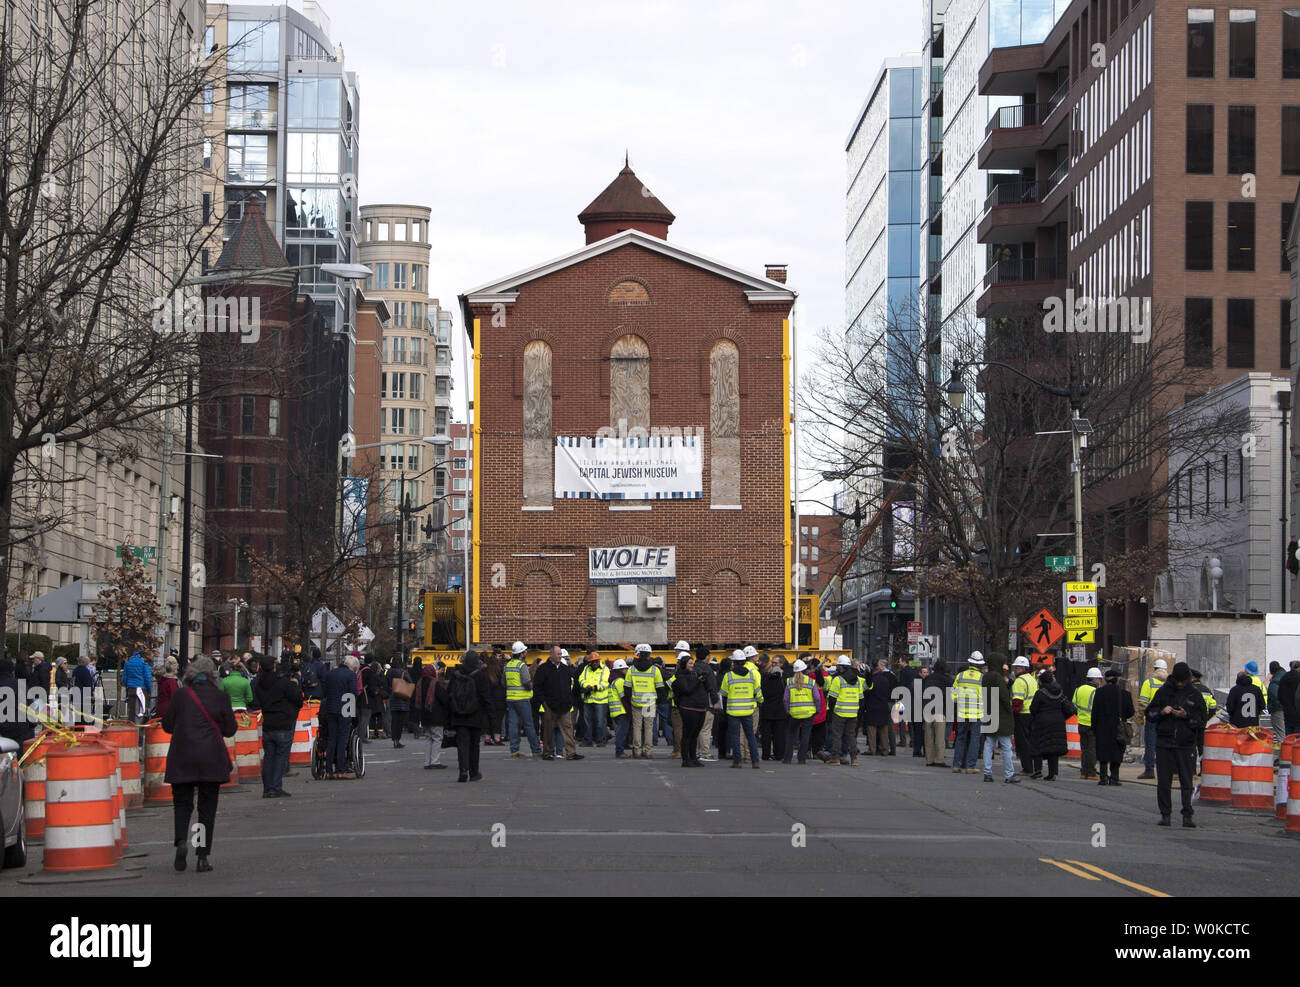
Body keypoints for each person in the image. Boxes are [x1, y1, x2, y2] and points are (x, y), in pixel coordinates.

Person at [162, 657, 237, 873]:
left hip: (182, 757)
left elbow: (167, 725)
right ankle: (202, 856)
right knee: (206, 809)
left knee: (182, 804)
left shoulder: (181, 695)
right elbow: (230, 729)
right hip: (211, 759)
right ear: (213, 675)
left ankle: (181, 842)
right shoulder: (220, 697)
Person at [1147, 662, 1207, 828]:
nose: (1180, 684)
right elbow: (1150, 714)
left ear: (1187, 679)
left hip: (1185, 744)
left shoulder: (1194, 695)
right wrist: (1162, 712)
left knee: (1186, 781)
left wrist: (1186, 716)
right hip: (1165, 742)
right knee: (1164, 782)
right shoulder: (1163, 692)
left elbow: (1201, 720)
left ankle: (1187, 815)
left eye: (1183, 681)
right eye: (1178, 681)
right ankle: (1165, 814)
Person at [253, 657, 303, 797]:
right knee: (280, 756)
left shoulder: (258, 683)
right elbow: (298, 699)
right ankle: (275, 787)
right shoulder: (283, 683)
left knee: (269, 756)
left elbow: (256, 701)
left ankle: (268, 788)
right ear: (274, 667)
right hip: (283, 722)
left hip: (268, 722)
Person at [447, 650, 492, 781]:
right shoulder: (481, 675)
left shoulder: (456, 675)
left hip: (459, 715)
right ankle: (474, 772)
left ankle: (463, 770)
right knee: (474, 745)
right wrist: (491, 717)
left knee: (462, 744)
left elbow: (449, 694)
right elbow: (486, 697)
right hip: (475, 714)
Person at [534, 645, 583, 761]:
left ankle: (571, 753)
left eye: (561, 654)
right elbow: (537, 687)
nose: (560, 656)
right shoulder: (543, 669)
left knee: (568, 729)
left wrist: (569, 700)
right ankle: (547, 753)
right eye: (558, 654)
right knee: (548, 730)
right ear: (551, 655)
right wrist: (544, 702)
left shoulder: (565, 669)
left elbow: (569, 686)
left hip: (565, 705)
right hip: (550, 705)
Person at [1029, 671, 1075, 781]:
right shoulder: (1060, 693)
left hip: (1042, 723)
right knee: (1053, 747)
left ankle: (1038, 771)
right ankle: (1052, 773)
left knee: (1038, 745)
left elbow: (1033, 709)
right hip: (1057, 722)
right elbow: (1070, 709)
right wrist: (1061, 717)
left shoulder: (1040, 693)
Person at [1091, 668, 1134, 786]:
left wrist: (1094, 728)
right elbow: (1130, 712)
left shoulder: (1099, 693)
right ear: (1117, 679)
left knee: (1103, 752)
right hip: (1118, 728)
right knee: (1117, 752)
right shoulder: (1125, 694)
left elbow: (1094, 712)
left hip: (1102, 727)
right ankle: (1114, 777)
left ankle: (1103, 777)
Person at [720, 649, 762, 769]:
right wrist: (760, 701)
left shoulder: (728, 676)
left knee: (735, 736)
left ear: (733, 662)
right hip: (748, 710)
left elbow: (723, 693)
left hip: (733, 711)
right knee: (751, 736)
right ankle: (755, 761)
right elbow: (758, 693)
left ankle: (737, 761)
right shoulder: (752, 675)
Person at [981, 659, 1019, 783]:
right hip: (1001, 715)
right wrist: (1009, 709)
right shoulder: (998, 677)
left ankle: (987, 772)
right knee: (1006, 746)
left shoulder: (986, 677)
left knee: (989, 744)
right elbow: (1004, 696)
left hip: (989, 712)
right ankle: (1009, 774)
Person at [625, 644, 665, 759]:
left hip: (635, 701)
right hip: (649, 702)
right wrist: (659, 701)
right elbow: (660, 688)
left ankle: (637, 751)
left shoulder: (631, 669)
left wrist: (630, 699)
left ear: (638, 654)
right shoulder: (655, 670)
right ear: (649, 654)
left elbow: (627, 688)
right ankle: (648, 751)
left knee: (637, 727)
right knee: (648, 727)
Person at [323, 657, 360, 779]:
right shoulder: (351, 675)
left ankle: (328, 771)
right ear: (353, 667)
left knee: (331, 739)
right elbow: (353, 693)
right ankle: (341, 770)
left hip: (330, 709)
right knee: (342, 740)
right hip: (345, 708)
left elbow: (325, 691)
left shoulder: (330, 674)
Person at [505, 641, 542, 757]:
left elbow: (503, 682)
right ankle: (536, 749)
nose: (526, 652)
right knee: (529, 725)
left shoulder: (507, 665)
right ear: (521, 654)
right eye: (525, 651)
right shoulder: (522, 666)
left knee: (513, 725)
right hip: (522, 699)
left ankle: (514, 750)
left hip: (510, 699)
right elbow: (526, 682)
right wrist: (531, 687)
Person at [672, 651, 709, 767]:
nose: (692, 665)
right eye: (690, 663)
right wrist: (698, 681)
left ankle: (693, 758)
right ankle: (685, 759)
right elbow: (687, 689)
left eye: (693, 663)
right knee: (688, 734)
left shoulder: (695, 675)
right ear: (684, 664)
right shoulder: (681, 677)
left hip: (699, 707)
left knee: (695, 734)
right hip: (688, 708)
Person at [951, 652, 986, 773]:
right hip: (976, 713)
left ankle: (956, 765)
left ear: (970, 663)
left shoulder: (960, 676)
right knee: (975, 739)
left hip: (962, 712)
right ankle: (970, 766)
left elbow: (953, 695)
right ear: (980, 665)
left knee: (960, 738)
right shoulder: (982, 678)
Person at [826, 656, 863, 766]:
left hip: (839, 712)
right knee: (851, 736)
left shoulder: (838, 680)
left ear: (840, 667)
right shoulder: (857, 680)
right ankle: (854, 759)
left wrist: (832, 711)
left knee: (837, 735)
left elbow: (832, 698)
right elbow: (861, 698)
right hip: (853, 713)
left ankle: (836, 758)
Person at [782, 660, 821, 764]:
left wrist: (787, 710)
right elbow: (817, 698)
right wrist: (818, 710)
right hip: (808, 713)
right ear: (805, 670)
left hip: (794, 713)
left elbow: (785, 699)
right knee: (805, 735)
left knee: (790, 734)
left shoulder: (789, 681)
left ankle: (787, 758)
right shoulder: (811, 682)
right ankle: (802, 758)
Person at [1135, 658, 1168, 779]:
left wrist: (1140, 717)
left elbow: (1143, 703)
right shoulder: (1169, 685)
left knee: (1150, 745)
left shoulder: (1149, 683)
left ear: (1154, 669)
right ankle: (1164, 771)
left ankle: (1149, 770)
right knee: (1164, 746)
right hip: (1165, 719)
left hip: (1152, 718)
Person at [414, 661, 448, 769]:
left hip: (424, 715)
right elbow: (443, 698)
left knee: (428, 738)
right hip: (435, 715)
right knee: (437, 738)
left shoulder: (420, 683)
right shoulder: (434, 683)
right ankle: (435, 761)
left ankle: (427, 762)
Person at [1072, 666, 1103, 780]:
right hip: (1091, 724)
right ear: (1094, 679)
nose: (1100, 681)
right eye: (1099, 679)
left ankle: (1084, 772)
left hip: (1081, 723)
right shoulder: (1096, 692)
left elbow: (1074, 706)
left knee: (1084, 749)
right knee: (1092, 749)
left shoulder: (1078, 689)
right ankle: (1091, 772)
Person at [863, 658, 897, 756]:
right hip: (884, 705)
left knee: (872, 729)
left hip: (872, 706)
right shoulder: (886, 679)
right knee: (884, 729)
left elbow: (867, 693)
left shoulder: (871, 680)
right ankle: (885, 749)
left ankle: (872, 749)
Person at [1009, 657, 1037, 775]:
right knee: (1030, 741)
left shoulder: (1019, 681)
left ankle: (1027, 768)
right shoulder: (1032, 679)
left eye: (1016, 668)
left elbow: (1017, 702)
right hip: (1032, 714)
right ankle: (1034, 766)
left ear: (1021, 668)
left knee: (1022, 742)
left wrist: (1012, 714)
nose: (1014, 670)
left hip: (1022, 715)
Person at [759, 654, 788, 761]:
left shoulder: (765, 677)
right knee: (777, 735)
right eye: (772, 662)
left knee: (769, 735)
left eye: (775, 663)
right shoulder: (784, 678)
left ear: (781, 664)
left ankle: (768, 755)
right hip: (778, 710)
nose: (773, 664)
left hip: (769, 709)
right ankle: (777, 755)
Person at [578, 648, 609, 748]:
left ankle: (601, 741)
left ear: (599, 661)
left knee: (600, 722)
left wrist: (595, 687)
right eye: (593, 661)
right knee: (587, 722)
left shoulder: (605, 669)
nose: (595, 663)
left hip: (600, 700)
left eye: (596, 661)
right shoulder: (586, 669)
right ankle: (588, 741)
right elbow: (581, 679)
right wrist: (586, 686)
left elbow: (605, 683)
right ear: (590, 662)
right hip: (588, 699)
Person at [0, 657, 35, 745]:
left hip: (3, 730)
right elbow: (30, 707)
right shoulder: (20, 685)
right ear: (12, 671)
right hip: (21, 729)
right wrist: (32, 724)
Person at [921, 661, 950, 766]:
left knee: (928, 737)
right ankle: (939, 759)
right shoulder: (947, 680)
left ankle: (929, 759)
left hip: (927, 710)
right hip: (940, 711)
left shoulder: (927, 679)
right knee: (939, 737)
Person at [121, 644, 154, 723]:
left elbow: (124, 677)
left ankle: (131, 727)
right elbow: (147, 677)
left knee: (131, 711)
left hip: (131, 689)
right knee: (143, 710)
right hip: (142, 690)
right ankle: (141, 728)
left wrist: (127, 686)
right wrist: (149, 690)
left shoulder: (128, 662)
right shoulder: (144, 662)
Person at [385, 657, 413, 748]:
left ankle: (394, 739)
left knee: (394, 720)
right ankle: (398, 739)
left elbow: (386, 684)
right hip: (403, 699)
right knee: (400, 722)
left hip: (392, 698)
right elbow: (410, 682)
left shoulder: (389, 672)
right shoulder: (404, 672)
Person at [608, 658, 631, 758]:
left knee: (620, 732)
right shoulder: (620, 681)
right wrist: (629, 711)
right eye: (625, 669)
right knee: (621, 733)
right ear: (620, 670)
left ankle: (620, 750)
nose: (627, 670)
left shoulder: (613, 680)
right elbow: (624, 698)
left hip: (615, 711)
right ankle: (620, 752)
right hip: (622, 711)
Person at [483, 652, 506, 745]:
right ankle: (497, 738)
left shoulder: (485, 671)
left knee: (487, 718)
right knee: (498, 719)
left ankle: (487, 739)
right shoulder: (500, 671)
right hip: (499, 697)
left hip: (487, 698)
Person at [1267, 661, 1286, 742]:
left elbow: (1274, 696)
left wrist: (1271, 708)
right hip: (1290, 708)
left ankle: (1284, 748)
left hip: (1278, 709)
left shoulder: (1275, 680)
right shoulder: (1286, 675)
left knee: (1280, 733)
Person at [157, 656, 181, 721]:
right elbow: (175, 698)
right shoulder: (172, 681)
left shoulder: (162, 679)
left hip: (161, 709)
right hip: (169, 711)